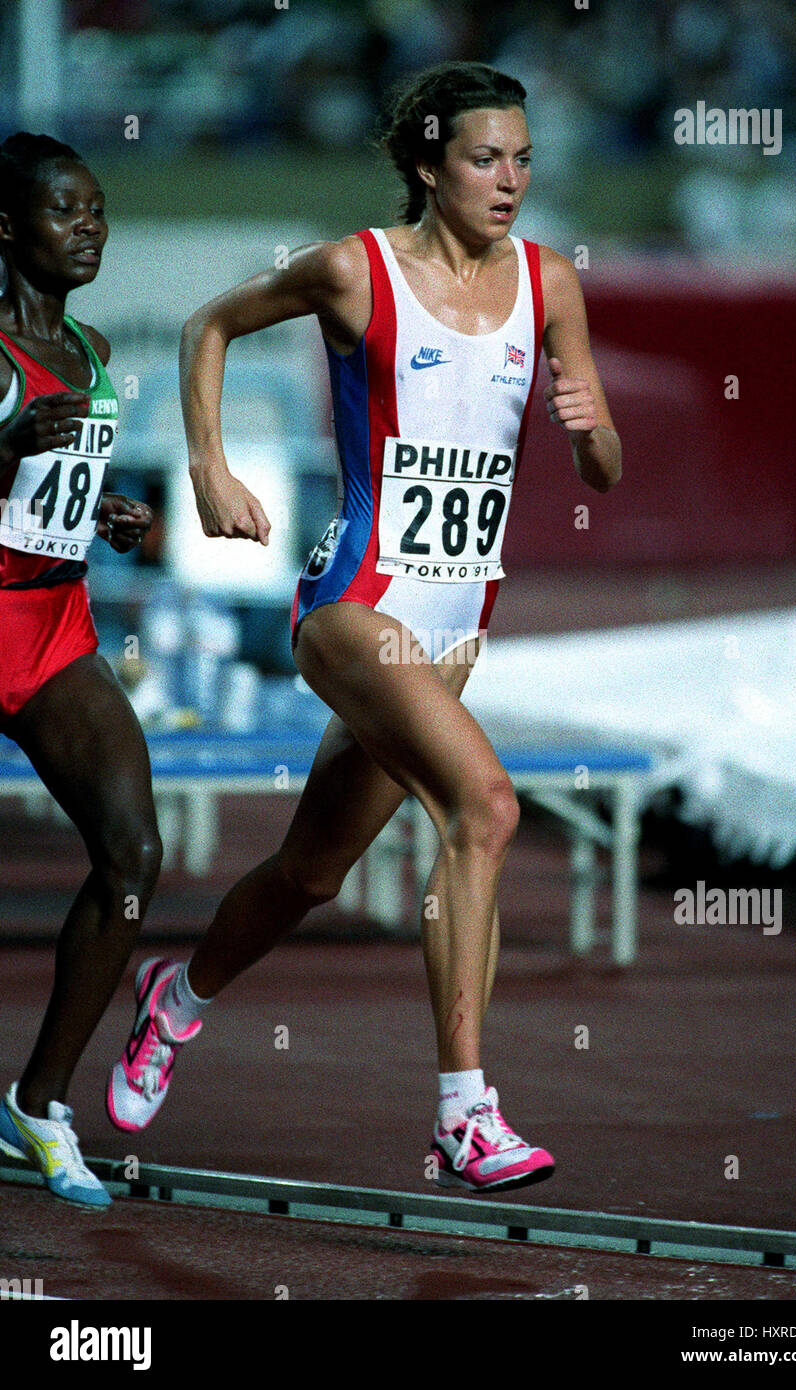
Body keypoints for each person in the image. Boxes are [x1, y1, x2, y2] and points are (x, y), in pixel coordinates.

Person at [108, 62, 621, 1193]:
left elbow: (603, 464)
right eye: (486, 158)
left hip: (452, 630)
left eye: (523, 159)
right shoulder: (354, 268)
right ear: (429, 163)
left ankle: (172, 1000)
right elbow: (208, 323)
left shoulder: (549, 286)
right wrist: (210, 466)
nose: (510, 180)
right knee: (481, 807)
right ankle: (462, 1112)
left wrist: (588, 430)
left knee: (311, 869)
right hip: (352, 606)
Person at [0, 133, 159, 1208]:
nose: (89, 228)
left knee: (133, 855)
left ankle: (37, 1104)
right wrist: (5, 448)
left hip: (51, 623)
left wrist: (103, 515)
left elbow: (47, 499)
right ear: (10, 229)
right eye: (66, 212)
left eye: (97, 211)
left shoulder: (94, 348)